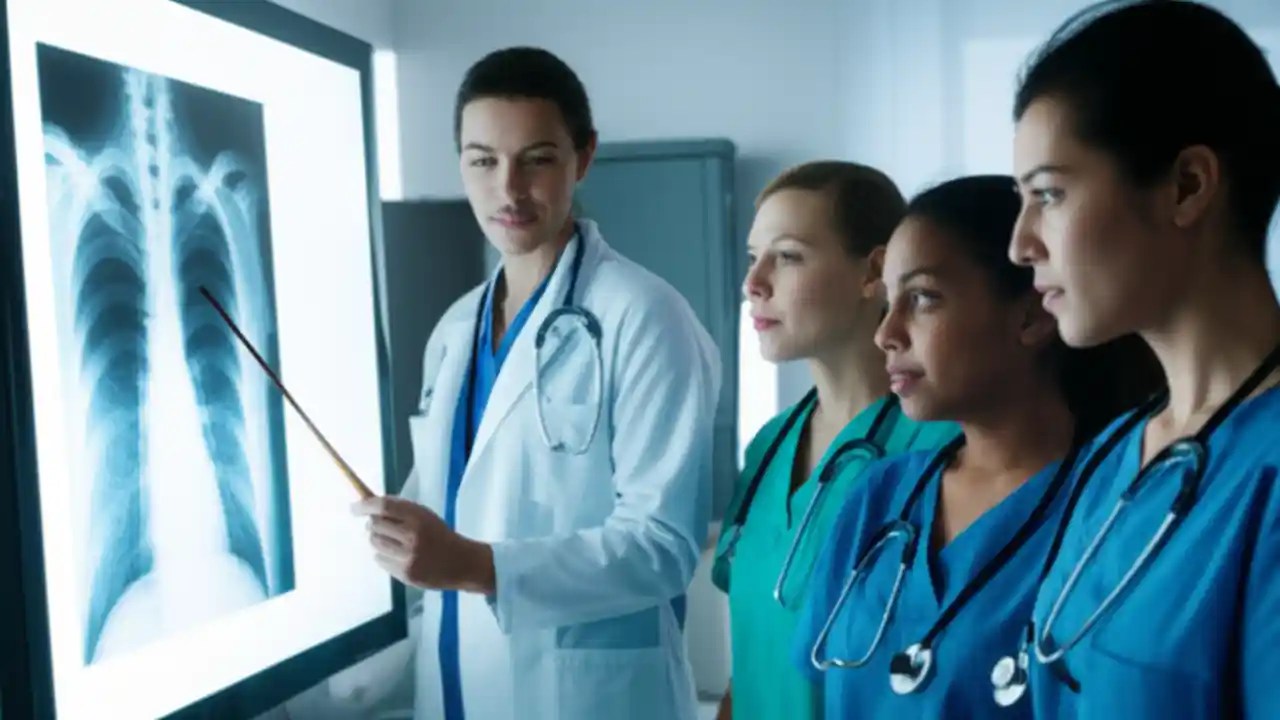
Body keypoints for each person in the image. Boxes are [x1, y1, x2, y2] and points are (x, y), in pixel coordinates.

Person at [351, 47, 721, 720]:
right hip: (462, 686)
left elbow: (664, 547)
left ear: (583, 157)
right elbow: (455, 497)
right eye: (484, 160)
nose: (509, 189)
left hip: (589, 699)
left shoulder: (644, 315)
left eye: (538, 159)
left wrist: (477, 565)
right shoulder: (456, 328)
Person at [790, 175, 1163, 718]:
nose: (886, 334)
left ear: (1031, 315)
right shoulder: (880, 497)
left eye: (922, 299)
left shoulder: (1110, 512)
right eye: (889, 303)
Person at [1007, 1, 1280, 716]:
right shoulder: (1112, 460)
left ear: (1187, 186)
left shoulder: (1268, 476)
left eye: (1049, 195)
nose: (1021, 244)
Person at [710, 161, 960, 720]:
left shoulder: (942, 448)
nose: (753, 283)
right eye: (754, 258)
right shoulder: (771, 445)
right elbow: (754, 652)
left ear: (874, 270)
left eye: (789, 256)